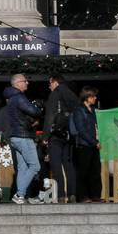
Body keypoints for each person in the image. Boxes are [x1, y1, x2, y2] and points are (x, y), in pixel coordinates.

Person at [3, 73, 43, 205]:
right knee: (35, 166)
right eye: (25, 81)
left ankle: (20, 197)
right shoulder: (19, 97)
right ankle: (19, 193)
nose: (27, 83)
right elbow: (34, 111)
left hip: (15, 136)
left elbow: (21, 117)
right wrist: (38, 108)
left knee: (23, 168)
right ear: (18, 83)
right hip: (24, 136)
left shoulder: (10, 98)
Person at [43, 75, 79, 203]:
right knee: (68, 165)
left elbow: (50, 116)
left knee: (56, 165)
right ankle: (73, 193)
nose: (49, 86)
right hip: (69, 134)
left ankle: (61, 195)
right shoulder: (72, 95)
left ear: (55, 82)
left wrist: (45, 136)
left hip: (56, 134)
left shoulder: (55, 94)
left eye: (50, 83)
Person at [70, 86, 101, 203]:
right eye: (93, 96)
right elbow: (81, 130)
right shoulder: (79, 111)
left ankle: (95, 195)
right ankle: (83, 196)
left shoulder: (93, 110)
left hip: (94, 145)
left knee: (95, 171)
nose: (95, 98)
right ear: (87, 97)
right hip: (84, 145)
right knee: (83, 171)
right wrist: (94, 142)